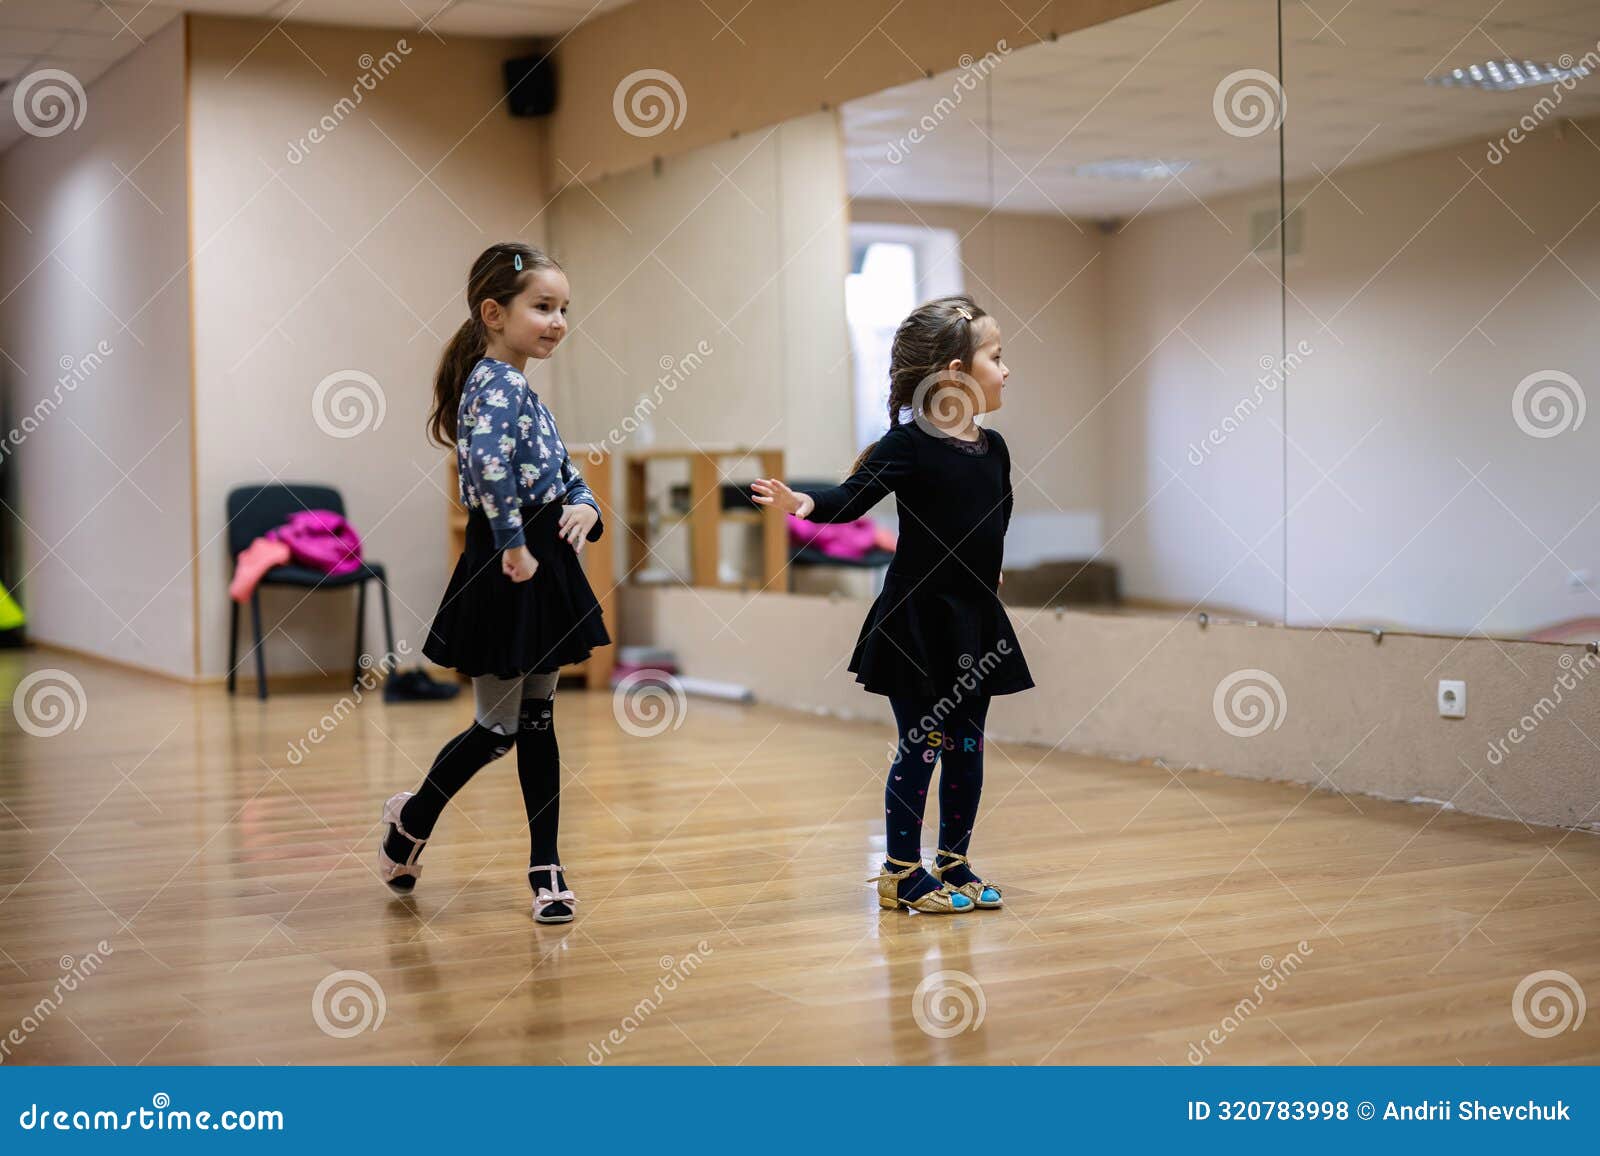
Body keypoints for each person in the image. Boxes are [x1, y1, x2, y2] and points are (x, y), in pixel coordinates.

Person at [753, 295, 1032, 914]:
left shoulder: (996, 449)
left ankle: (953, 862)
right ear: (956, 372)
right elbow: (852, 499)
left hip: (973, 618)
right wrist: (803, 503)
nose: (1007, 369)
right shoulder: (909, 445)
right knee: (924, 741)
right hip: (917, 618)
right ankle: (901, 872)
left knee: (967, 745)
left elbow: (998, 515)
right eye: (996, 355)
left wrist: (994, 570)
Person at [379, 242, 608, 924]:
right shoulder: (492, 385)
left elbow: (565, 471)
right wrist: (512, 545)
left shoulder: (525, 389)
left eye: (564, 308)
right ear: (494, 312)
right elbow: (484, 471)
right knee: (499, 727)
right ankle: (411, 820)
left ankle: (546, 867)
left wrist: (586, 504)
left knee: (537, 719)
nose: (558, 321)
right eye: (543, 307)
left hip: (543, 555)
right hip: (510, 561)